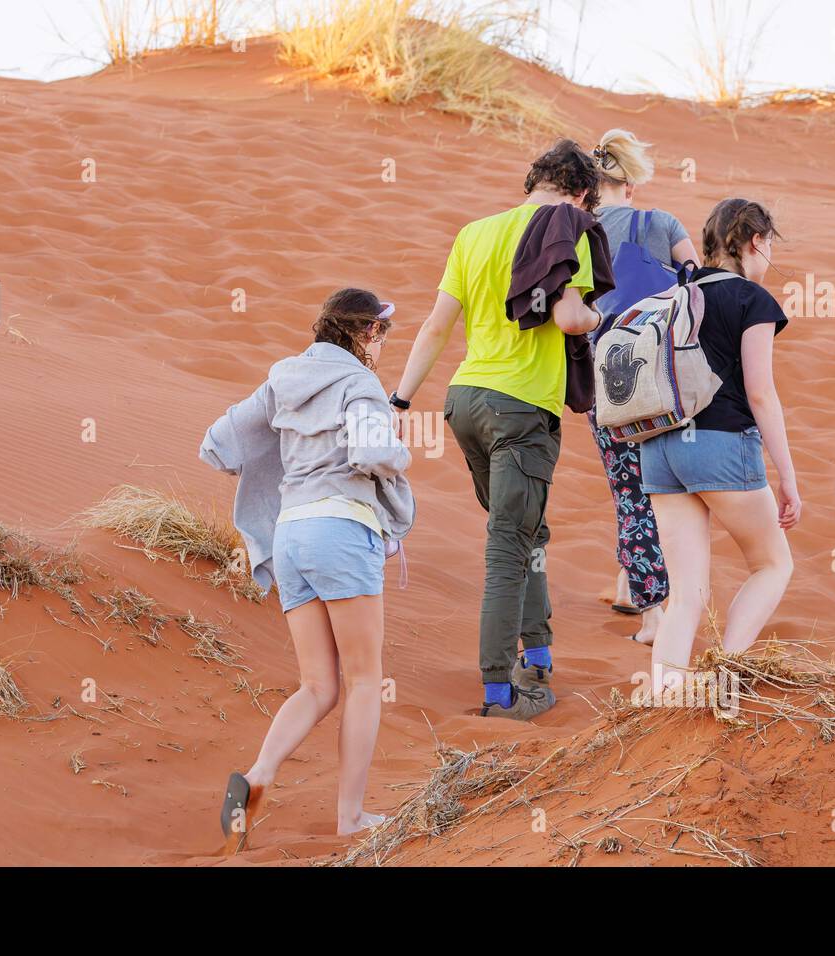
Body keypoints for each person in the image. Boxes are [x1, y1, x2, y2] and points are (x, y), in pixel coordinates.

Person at [391, 140, 602, 720]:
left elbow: (436, 326)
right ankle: (499, 694)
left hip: (465, 402)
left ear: (535, 180)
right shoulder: (568, 230)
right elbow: (567, 317)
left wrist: (401, 398)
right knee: (509, 546)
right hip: (523, 408)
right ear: (582, 193)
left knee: (524, 531)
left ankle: (537, 654)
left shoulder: (474, 233)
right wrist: (598, 315)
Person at [200, 288, 414, 849]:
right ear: (366, 333)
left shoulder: (283, 379)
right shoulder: (359, 384)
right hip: (342, 528)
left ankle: (256, 777)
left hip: (289, 534)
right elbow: (371, 451)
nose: (384, 342)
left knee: (319, 685)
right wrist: (401, 453)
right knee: (365, 680)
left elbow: (220, 445)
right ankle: (351, 819)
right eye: (382, 332)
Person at [640, 199, 800, 696]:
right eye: (769, 244)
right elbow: (760, 392)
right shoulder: (752, 300)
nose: (768, 254)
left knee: (687, 592)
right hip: (720, 445)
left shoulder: (678, 294)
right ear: (755, 242)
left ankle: (665, 699)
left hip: (658, 446)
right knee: (773, 564)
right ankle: (724, 675)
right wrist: (788, 478)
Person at [588, 129, 700, 645]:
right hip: (664, 377)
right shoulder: (662, 223)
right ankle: (662, 598)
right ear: (629, 184)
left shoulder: (574, 234)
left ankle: (648, 607)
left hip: (605, 380)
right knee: (668, 489)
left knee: (627, 489)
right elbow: (697, 288)